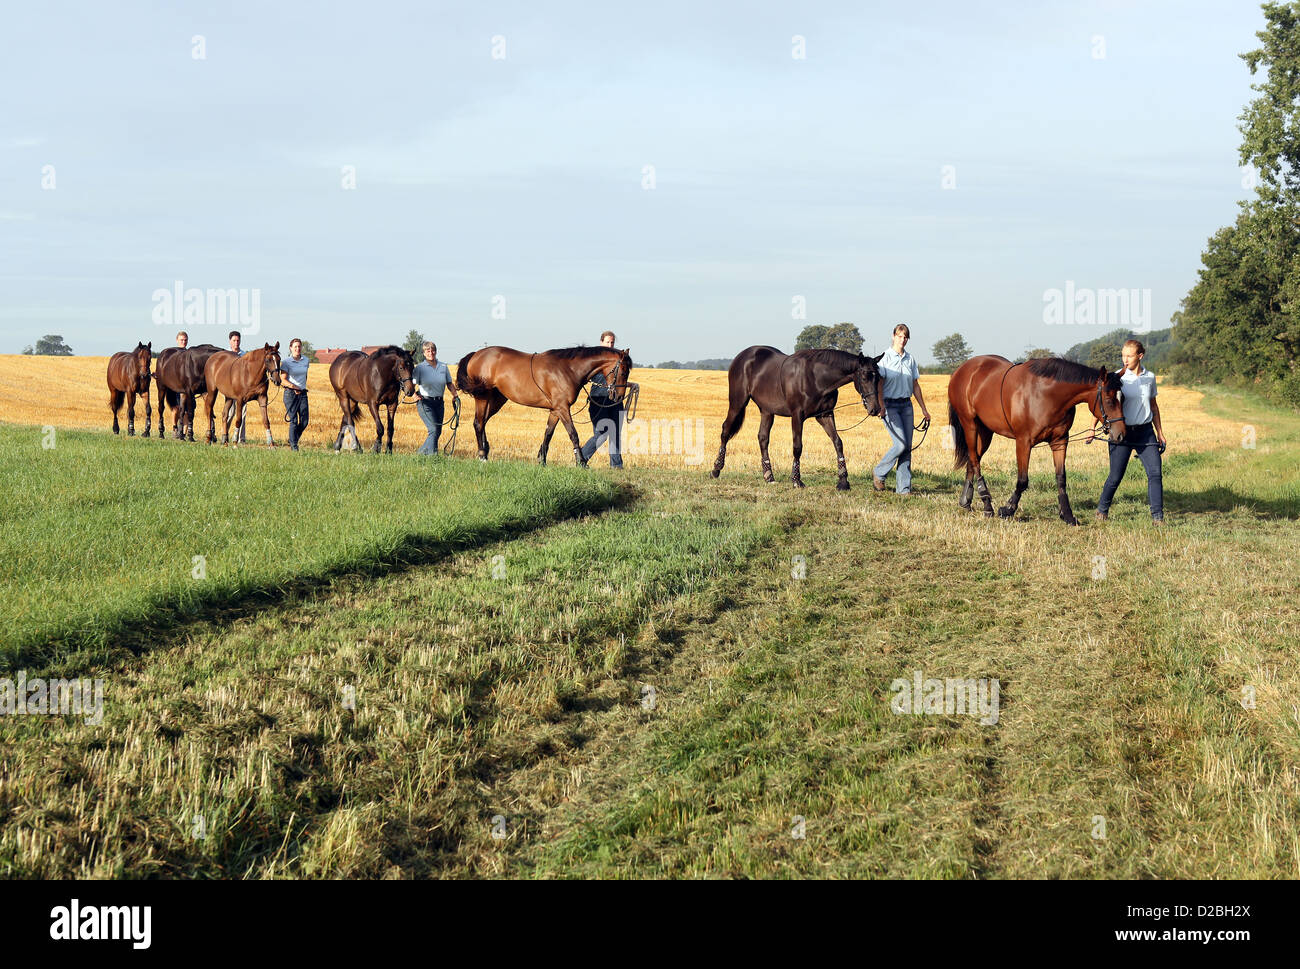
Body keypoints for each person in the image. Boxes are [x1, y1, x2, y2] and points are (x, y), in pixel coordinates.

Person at [1092, 338, 1166, 525]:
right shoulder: (1117, 377)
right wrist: (1092, 428)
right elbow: (1106, 405)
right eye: (1123, 355)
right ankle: (1102, 509)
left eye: (1129, 355)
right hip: (1122, 434)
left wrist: (1160, 432)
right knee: (1115, 476)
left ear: (1140, 356)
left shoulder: (1150, 377)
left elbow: (1154, 406)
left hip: (1145, 432)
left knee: (1155, 473)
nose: (1125, 359)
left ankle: (1158, 517)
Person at [873, 324, 931, 495]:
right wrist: (881, 406)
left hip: (906, 406)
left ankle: (903, 490)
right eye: (899, 336)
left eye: (905, 337)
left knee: (907, 448)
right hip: (889, 406)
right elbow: (880, 385)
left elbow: (915, 385)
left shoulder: (910, 359)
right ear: (893, 336)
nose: (902, 340)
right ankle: (879, 472)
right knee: (900, 445)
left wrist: (924, 410)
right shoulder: (885, 358)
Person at [579, 330, 631, 468]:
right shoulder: (593, 359)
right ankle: (581, 457)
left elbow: (621, 378)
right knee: (601, 433)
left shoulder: (619, 359)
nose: (610, 345)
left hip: (616, 401)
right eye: (607, 342)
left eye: (612, 342)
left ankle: (617, 466)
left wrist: (630, 385)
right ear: (601, 342)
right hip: (598, 400)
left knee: (615, 434)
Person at [412, 341, 459, 456]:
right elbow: (411, 385)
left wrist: (455, 395)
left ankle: (421, 453)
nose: (431, 353)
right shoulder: (420, 368)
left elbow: (449, 383)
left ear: (436, 351)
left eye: (432, 350)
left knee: (437, 431)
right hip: (425, 403)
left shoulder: (443, 366)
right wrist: (414, 395)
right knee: (433, 430)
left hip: (439, 403)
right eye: (427, 351)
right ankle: (434, 457)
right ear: (424, 353)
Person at [280, 337, 310, 451]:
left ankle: (293, 439)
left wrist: (302, 387)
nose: (297, 349)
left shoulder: (306, 360)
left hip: (302, 394)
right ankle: (294, 447)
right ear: (291, 348)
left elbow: (304, 376)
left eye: (299, 346)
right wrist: (294, 387)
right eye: (295, 347)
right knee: (293, 420)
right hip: (290, 394)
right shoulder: (286, 362)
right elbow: (283, 379)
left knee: (304, 421)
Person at [228, 330, 247, 443]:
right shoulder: (226, 354)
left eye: (238, 340)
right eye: (234, 340)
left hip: (242, 389)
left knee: (243, 413)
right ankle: (224, 433)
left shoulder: (244, 355)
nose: (236, 343)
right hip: (230, 389)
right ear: (230, 341)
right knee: (230, 413)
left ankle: (241, 438)